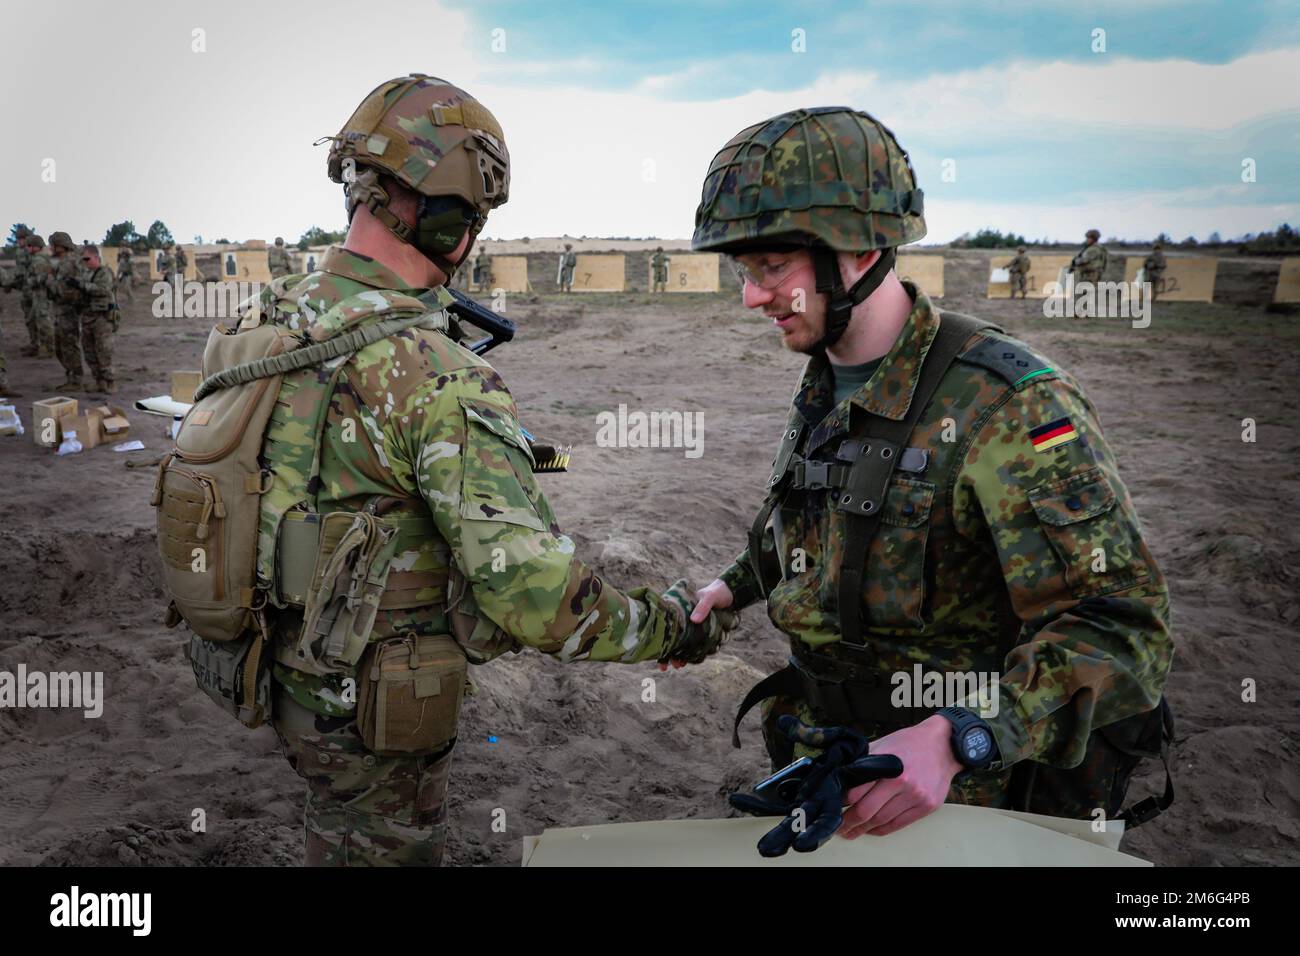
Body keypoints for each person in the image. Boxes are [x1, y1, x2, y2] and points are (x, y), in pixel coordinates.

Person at [176, 74, 734, 867]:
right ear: (446, 220)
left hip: (270, 670)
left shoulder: (261, 320)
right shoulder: (436, 375)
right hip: (370, 711)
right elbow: (537, 598)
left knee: (333, 826)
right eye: (473, 218)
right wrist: (673, 625)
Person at [684, 107, 1173, 839]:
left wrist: (960, 736)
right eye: (745, 273)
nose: (752, 297)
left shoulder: (1010, 405)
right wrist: (737, 582)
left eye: (771, 268)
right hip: (830, 761)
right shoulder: (828, 380)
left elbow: (1126, 628)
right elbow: (826, 517)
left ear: (857, 251)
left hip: (959, 800)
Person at [46, 230, 88, 390]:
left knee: (69, 345)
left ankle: (76, 379)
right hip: (61, 309)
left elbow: (62, 288)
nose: (51, 248)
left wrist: (49, 281)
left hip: (68, 309)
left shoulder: (68, 263)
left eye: (53, 245)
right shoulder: (65, 261)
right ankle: (72, 376)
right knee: (61, 346)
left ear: (60, 246)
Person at [75, 245, 119, 394]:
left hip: (102, 318)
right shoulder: (87, 274)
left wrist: (81, 285)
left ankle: (110, 382)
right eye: (83, 259)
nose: (85, 262)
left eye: (87, 259)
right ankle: (99, 381)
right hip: (88, 317)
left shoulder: (104, 273)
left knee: (104, 350)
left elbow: (103, 290)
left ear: (96, 257)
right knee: (89, 351)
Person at [23, 233, 56, 359]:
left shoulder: (39, 260)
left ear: (37, 247)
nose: (28, 248)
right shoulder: (37, 259)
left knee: (44, 321)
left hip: (42, 294)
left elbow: (43, 279)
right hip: (37, 294)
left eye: (30, 245)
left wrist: (30, 281)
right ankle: (36, 345)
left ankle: (51, 348)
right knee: (32, 320)